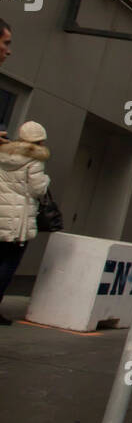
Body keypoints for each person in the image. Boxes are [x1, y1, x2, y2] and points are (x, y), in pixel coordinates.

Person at [0, 120, 50, 324]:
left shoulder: (3, 154)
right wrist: (46, 180)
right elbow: (39, 190)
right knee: (7, 265)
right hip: (17, 220)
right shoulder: (34, 160)